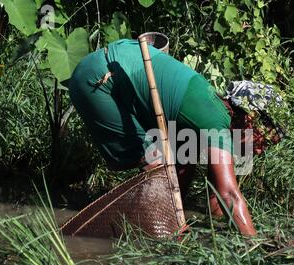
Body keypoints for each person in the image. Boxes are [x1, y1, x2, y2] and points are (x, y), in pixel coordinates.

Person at [68, 39, 279, 237]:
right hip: (98, 78)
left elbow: (212, 195)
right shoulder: (215, 120)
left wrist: (219, 231)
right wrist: (254, 245)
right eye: (264, 139)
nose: (260, 150)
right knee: (155, 164)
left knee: (180, 164)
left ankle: (160, 229)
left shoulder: (207, 113)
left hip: (115, 63)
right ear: (249, 117)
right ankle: (150, 235)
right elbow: (229, 195)